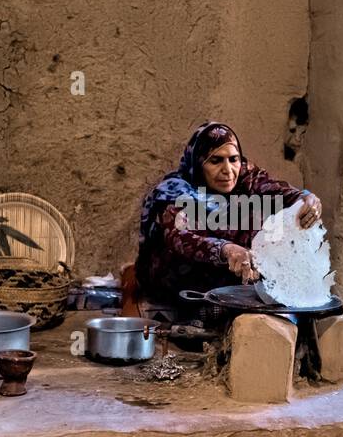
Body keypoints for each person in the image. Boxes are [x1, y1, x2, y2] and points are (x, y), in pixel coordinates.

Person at [137, 121, 321, 302]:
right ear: (199, 163)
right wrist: (225, 249)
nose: (228, 170)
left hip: (231, 278)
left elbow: (276, 191)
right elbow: (180, 237)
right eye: (215, 161)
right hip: (179, 284)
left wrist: (305, 198)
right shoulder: (174, 193)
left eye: (233, 159)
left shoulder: (245, 174)